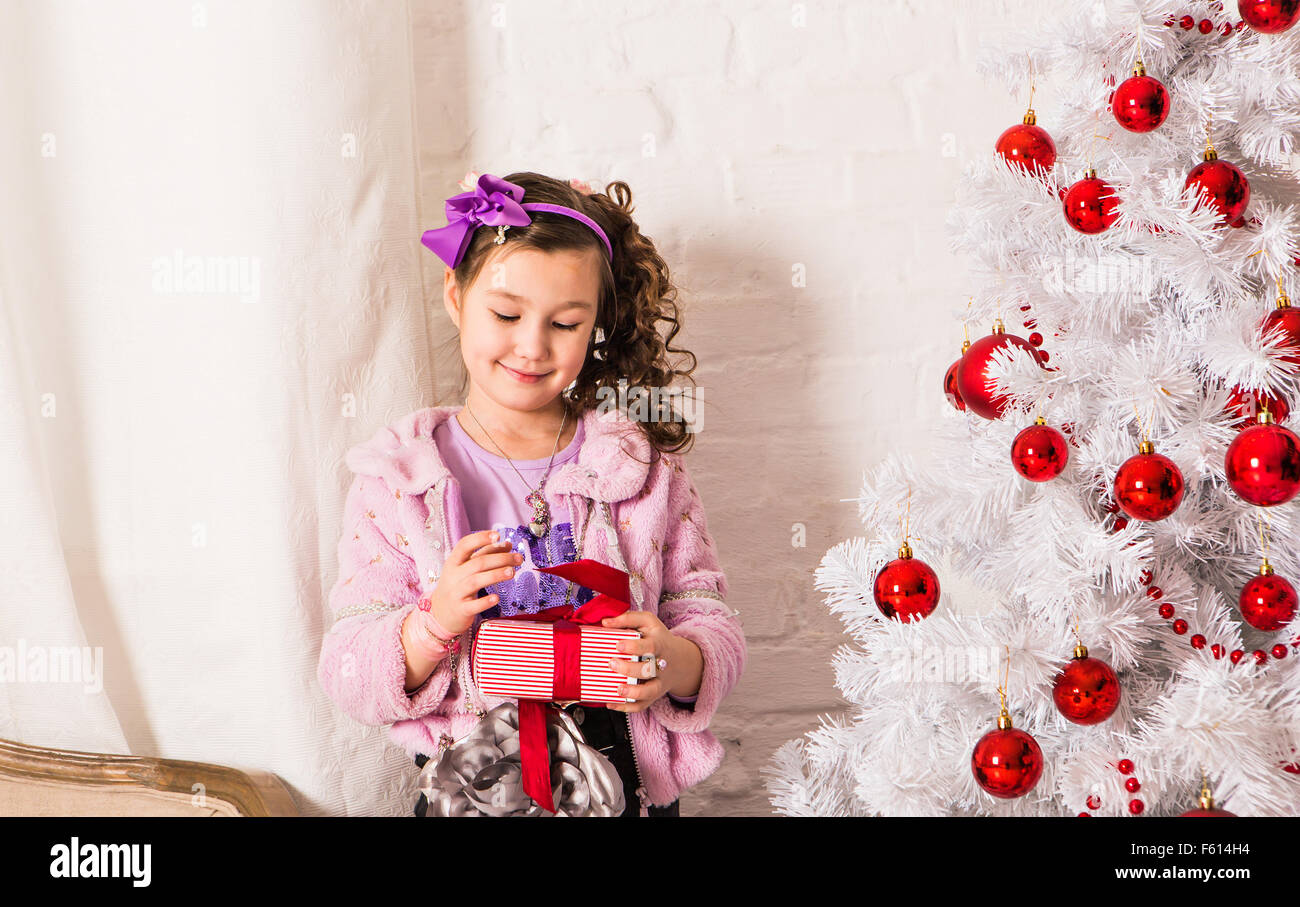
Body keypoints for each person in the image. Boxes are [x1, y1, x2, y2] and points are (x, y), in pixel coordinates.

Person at [316, 170, 746, 816]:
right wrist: (435, 624)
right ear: (456, 296)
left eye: (565, 323)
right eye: (507, 314)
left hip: (621, 784)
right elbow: (346, 670)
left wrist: (672, 661)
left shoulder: (642, 473)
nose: (532, 346)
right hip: (473, 784)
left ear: (596, 323)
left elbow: (710, 621)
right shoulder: (399, 481)